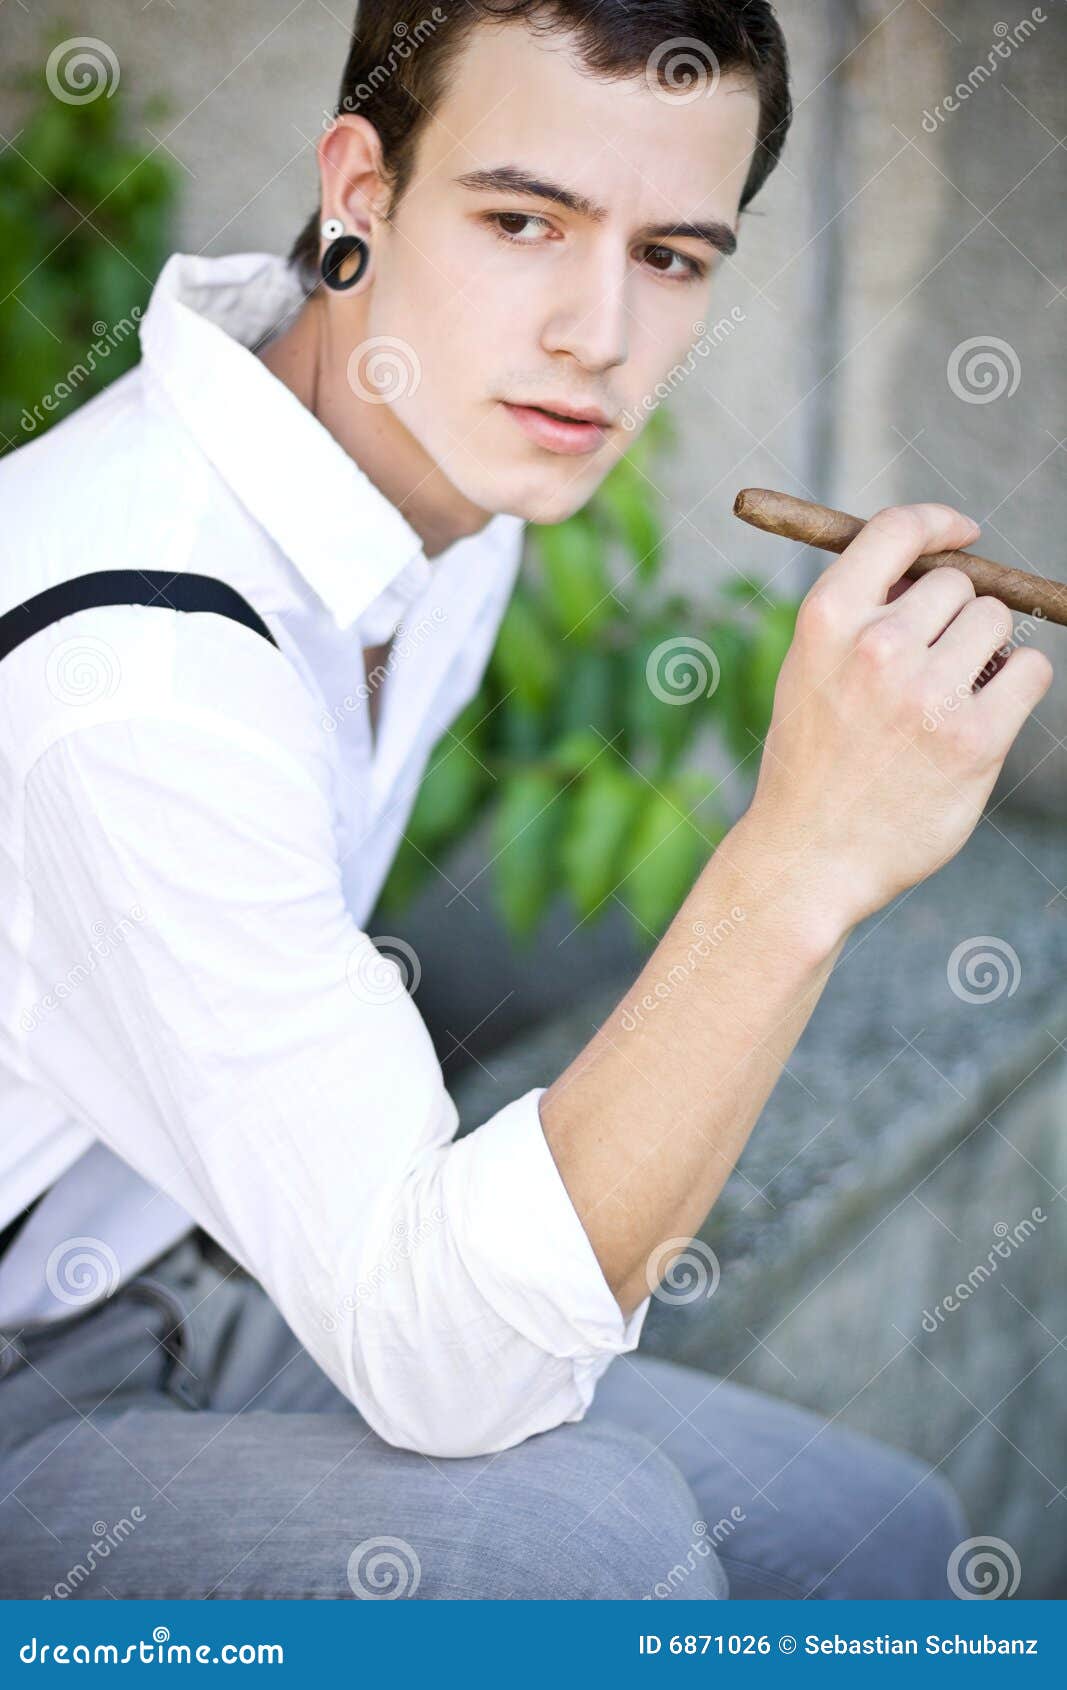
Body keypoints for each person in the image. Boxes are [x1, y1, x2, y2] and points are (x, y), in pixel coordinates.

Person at [0, 0, 1046, 1601]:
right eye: (523, 221)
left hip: (182, 1259)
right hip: (27, 1365)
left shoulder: (442, 476)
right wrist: (804, 858)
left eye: (674, 256)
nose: (598, 335)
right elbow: (449, 1365)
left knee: (882, 1535)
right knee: (596, 1556)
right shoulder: (143, 672)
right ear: (361, 190)